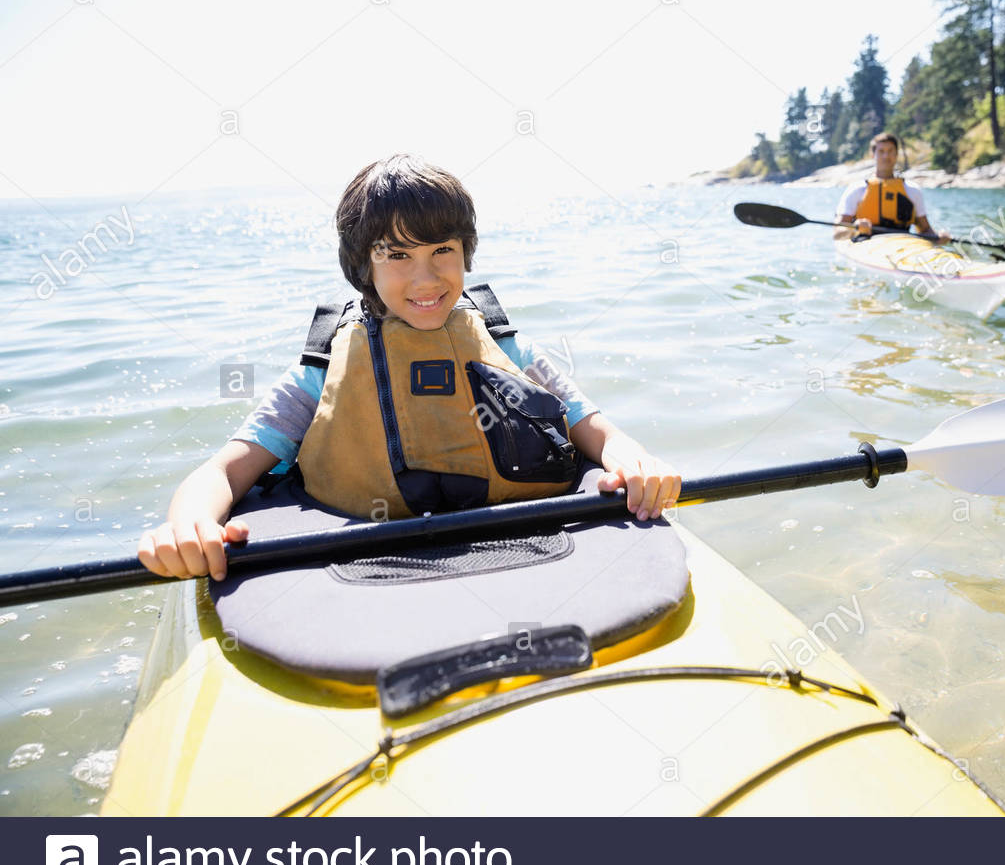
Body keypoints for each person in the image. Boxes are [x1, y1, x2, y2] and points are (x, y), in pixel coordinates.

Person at [138, 154, 681, 581]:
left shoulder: (505, 347)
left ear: (465, 253)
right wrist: (189, 524)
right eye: (396, 255)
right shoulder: (322, 370)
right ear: (361, 266)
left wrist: (635, 461)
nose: (426, 279)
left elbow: (592, 425)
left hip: (512, 539)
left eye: (441, 250)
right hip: (367, 556)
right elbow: (223, 472)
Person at [834, 132, 950, 243]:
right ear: (873, 155)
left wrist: (938, 237)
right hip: (865, 243)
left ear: (896, 154)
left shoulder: (913, 190)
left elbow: (925, 230)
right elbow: (837, 234)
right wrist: (854, 228)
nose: (886, 156)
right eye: (881, 151)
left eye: (890, 151)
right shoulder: (857, 189)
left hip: (902, 244)